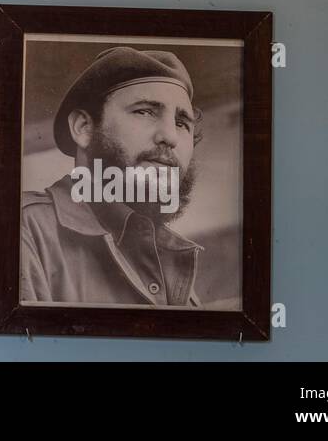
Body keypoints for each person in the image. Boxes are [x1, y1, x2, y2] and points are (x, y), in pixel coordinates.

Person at [20, 47, 204, 306]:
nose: (171, 136)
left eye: (182, 123)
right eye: (145, 111)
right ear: (83, 128)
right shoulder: (25, 230)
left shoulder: (175, 269)